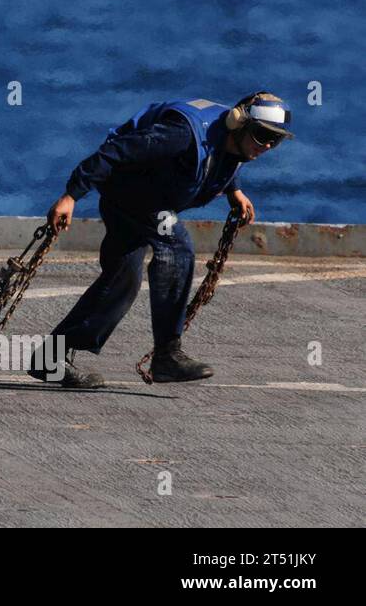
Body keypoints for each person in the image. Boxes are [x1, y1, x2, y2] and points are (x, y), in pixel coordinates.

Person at [34, 92, 293, 389]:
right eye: (262, 136)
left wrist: (233, 190)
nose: (268, 145)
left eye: (277, 140)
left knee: (123, 280)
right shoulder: (180, 134)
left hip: (146, 197)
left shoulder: (234, 140)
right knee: (177, 246)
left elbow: (220, 155)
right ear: (239, 122)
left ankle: (50, 359)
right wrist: (71, 196)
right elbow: (116, 151)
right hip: (132, 196)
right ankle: (167, 356)